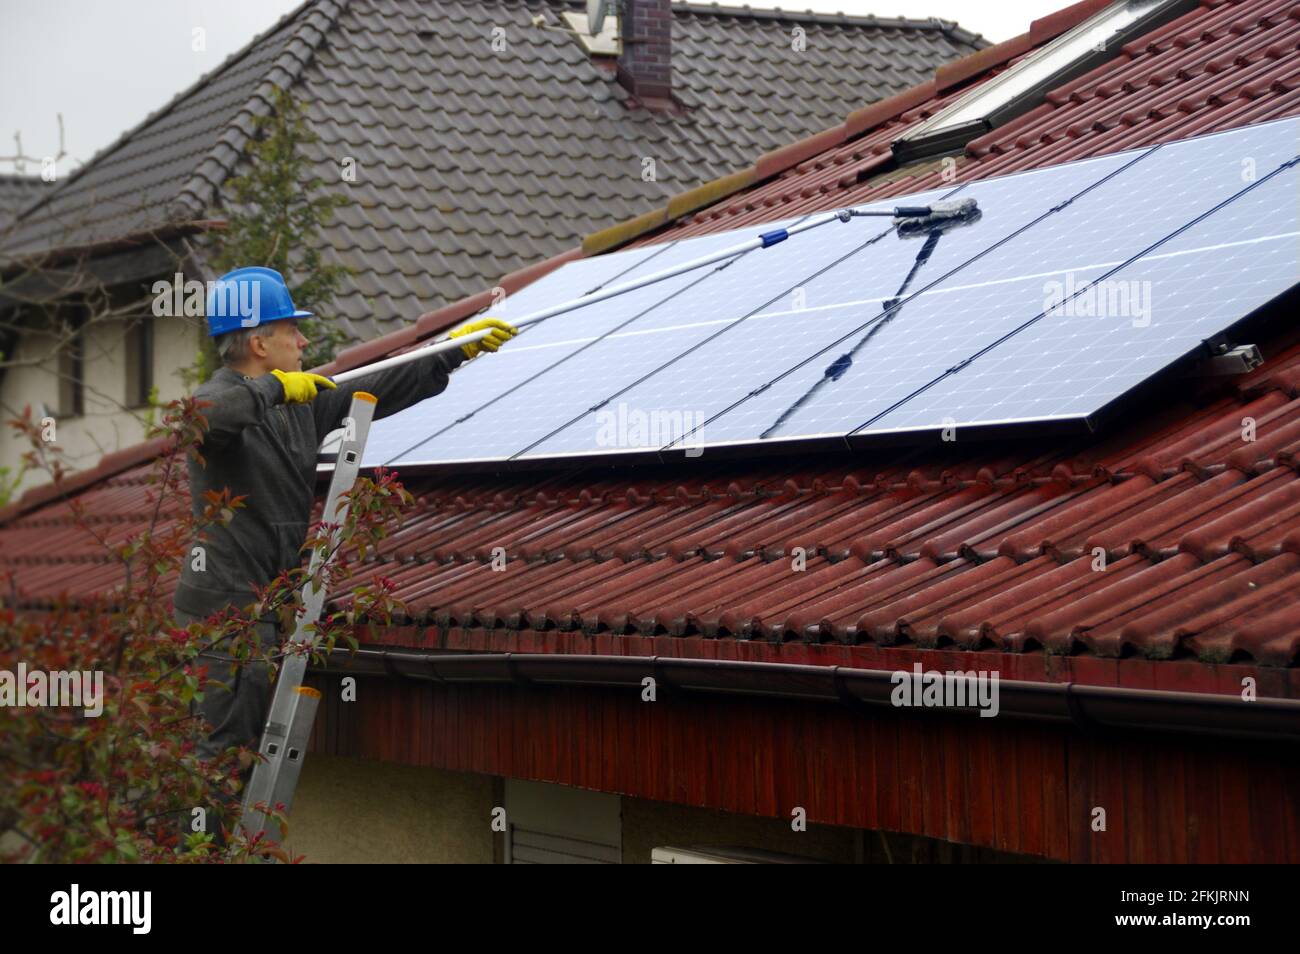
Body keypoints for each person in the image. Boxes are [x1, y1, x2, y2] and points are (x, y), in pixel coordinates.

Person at [172, 266, 515, 845]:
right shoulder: (224, 399)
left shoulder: (299, 403)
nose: (305, 343)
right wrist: (278, 388)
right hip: (222, 614)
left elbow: (377, 385)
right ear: (259, 343)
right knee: (221, 759)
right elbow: (200, 422)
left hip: (259, 607)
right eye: (292, 331)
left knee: (244, 751)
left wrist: (453, 354)